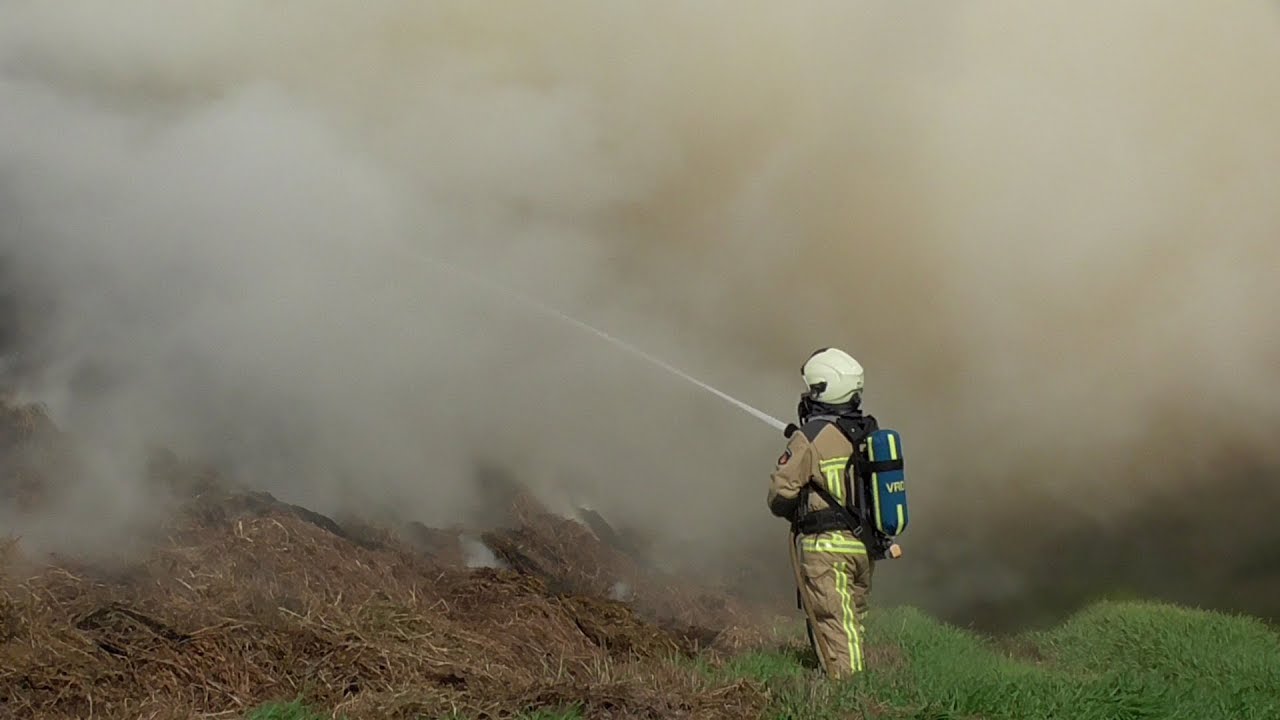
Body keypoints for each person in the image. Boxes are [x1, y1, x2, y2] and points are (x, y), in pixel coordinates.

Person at [767, 347, 880, 678]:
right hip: (863, 546)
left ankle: (849, 695)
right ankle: (847, 682)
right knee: (851, 619)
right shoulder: (866, 431)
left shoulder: (812, 436)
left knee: (833, 622)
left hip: (827, 549)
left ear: (822, 388)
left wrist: (789, 508)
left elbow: (780, 492)